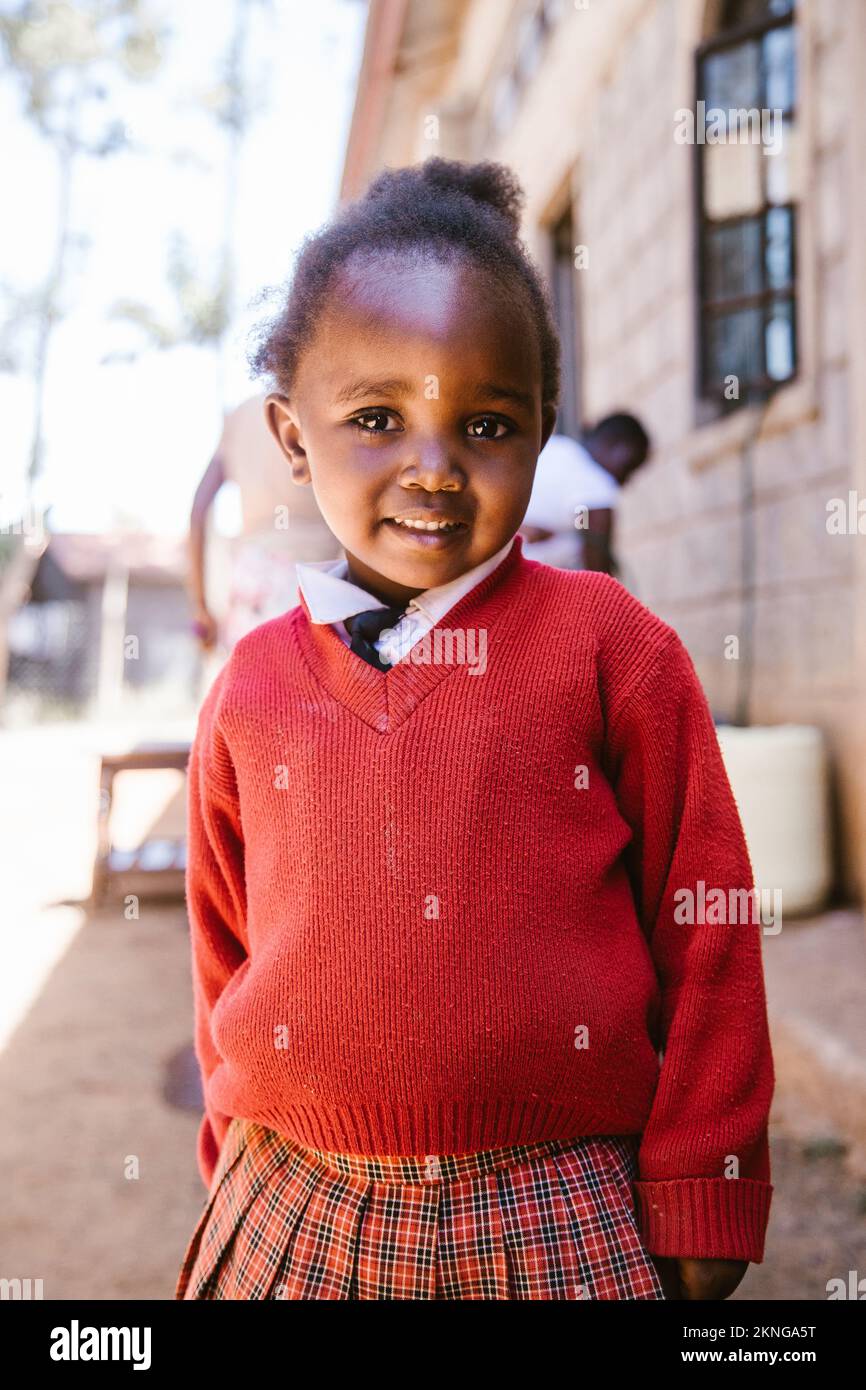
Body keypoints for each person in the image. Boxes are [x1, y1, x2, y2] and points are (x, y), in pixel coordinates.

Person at [175, 157, 774, 1302]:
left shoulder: (611, 647)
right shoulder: (250, 687)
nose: (433, 468)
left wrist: (710, 1180)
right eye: (374, 418)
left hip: (559, 1201)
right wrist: (228, 1154)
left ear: (542, 430)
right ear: (292, 439)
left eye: (487, 422)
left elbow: (705, 927)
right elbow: (220, 947)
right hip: (293, 1201)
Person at [187, 391, 341, 655]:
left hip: (253, 583)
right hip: (321, 583)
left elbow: (199, 510)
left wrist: (202, 609)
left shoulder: (242, 414)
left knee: (254, 691)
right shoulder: (327, 404)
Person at [520, 415, 650, 574]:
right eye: (628, 467)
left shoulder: (558, 447)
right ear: (612, 444)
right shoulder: (595, 483)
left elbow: (582, 520)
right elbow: (596, 561)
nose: (625, 481)